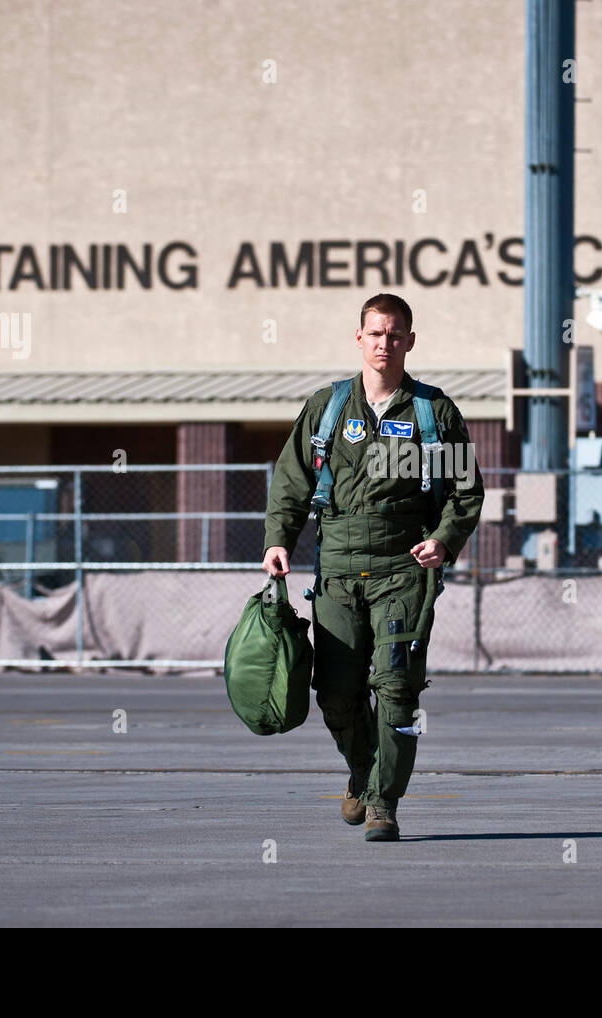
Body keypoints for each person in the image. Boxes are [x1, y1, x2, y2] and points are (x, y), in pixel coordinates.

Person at [262, 293, 483, 842]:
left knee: (396, 687)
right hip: (335, 566)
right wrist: (278, 540)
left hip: (403, 567)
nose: (385, 343)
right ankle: (363, 773)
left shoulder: (434, 413)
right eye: (375, 333)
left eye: (395, 333)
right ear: (358, 338)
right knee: (335, 691)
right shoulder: (327, 409)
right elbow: (292, 480)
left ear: (410, 340)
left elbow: (466, 491)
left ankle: (384, 802)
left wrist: (444, 539)